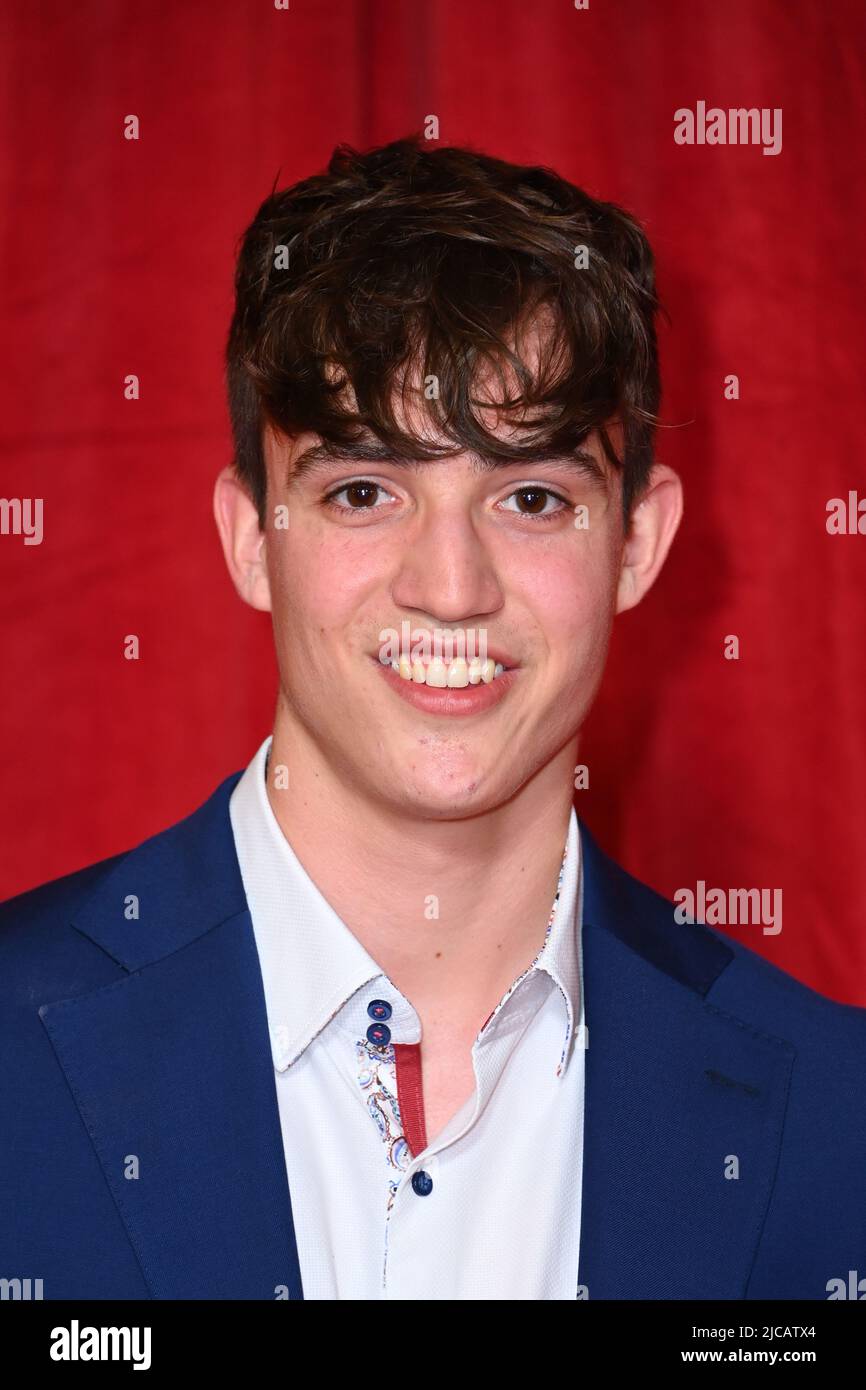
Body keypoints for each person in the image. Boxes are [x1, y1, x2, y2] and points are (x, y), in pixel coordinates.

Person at [2, 136, 864, 1302]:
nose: (449, 585)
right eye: (363, 491)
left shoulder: (832, 1118)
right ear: (253, 536)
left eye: (529, 496)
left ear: (636, 542)